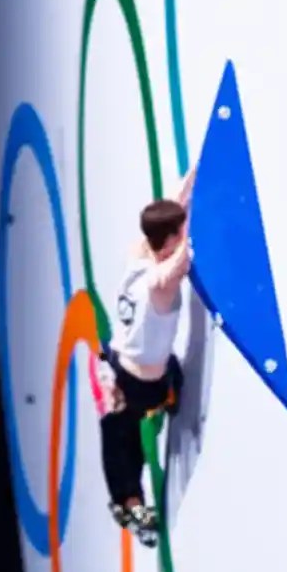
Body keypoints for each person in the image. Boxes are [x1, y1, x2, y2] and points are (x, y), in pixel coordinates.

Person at [96, 166, 195, 549]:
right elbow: (183, 258)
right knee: (123, 452)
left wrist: (193, 178)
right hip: (136, 384)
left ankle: (127, 501)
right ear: (169, 241)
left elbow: (175, 206)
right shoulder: (160, 282)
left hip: (123, 363)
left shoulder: (140, 251)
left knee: (116, 438)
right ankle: (132, 508)